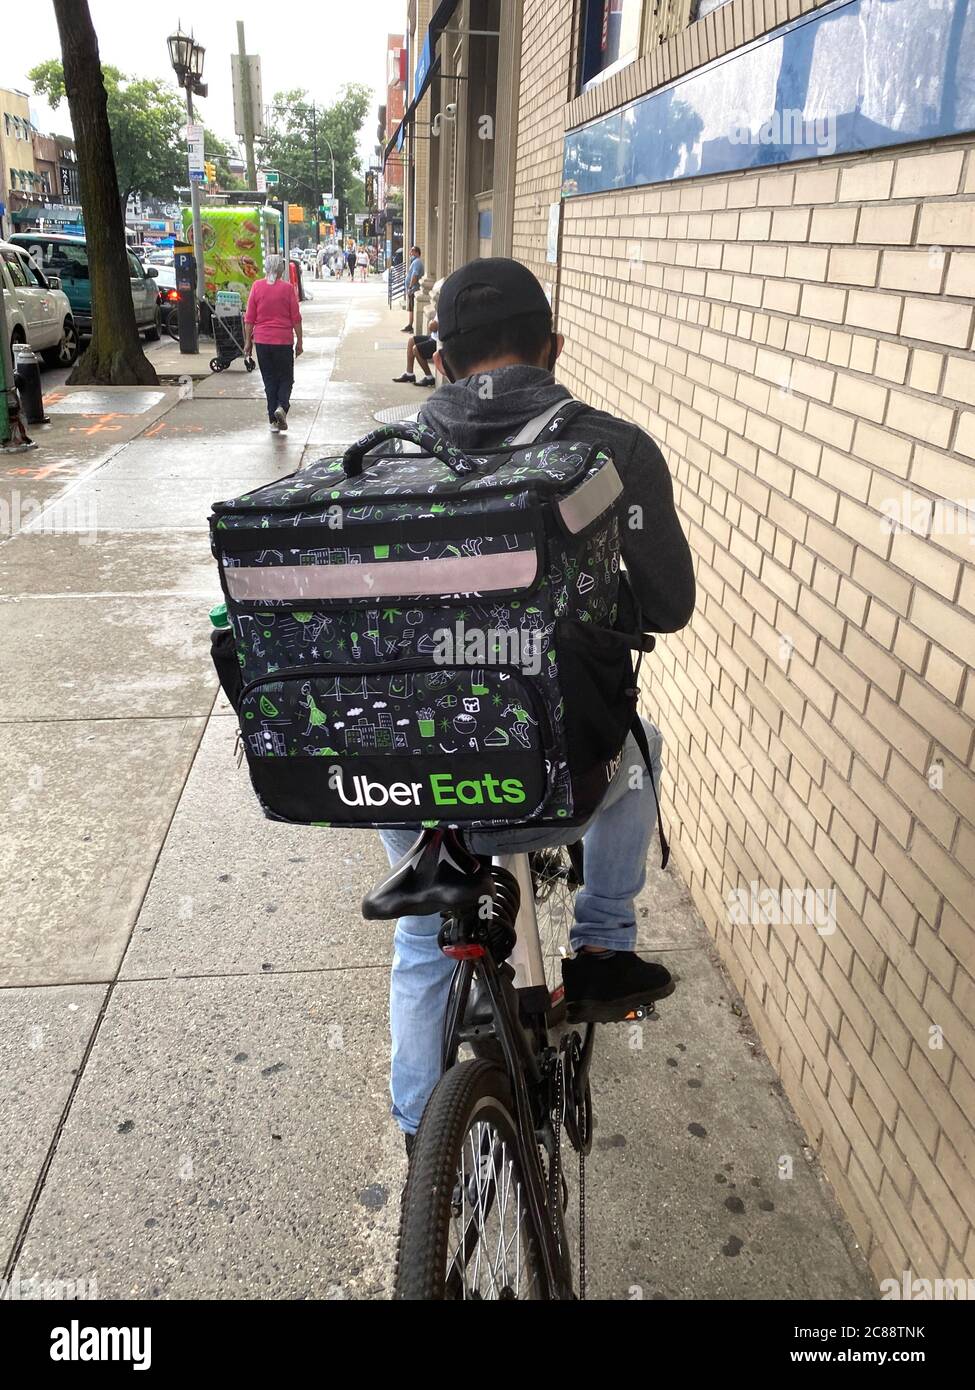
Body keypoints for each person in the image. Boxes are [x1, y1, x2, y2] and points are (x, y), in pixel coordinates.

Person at [379, 257, 696, 1148]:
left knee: (419, 943)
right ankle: (600, 947)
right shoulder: (613, 450)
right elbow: (667, 607)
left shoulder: (387, 459)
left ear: (437, 360)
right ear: (553, 349)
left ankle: (421, 1139)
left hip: (406, 774)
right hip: (560, 770)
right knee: (643, 747)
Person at [242, 253, 303, 433]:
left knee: (269, 380)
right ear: (281, 268)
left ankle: (273, 421)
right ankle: (282, 407)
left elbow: (249, 318)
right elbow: (296, 318)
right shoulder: (287, 289)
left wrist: (248, 342)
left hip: (261, 341)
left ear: (266, 268)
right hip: (283, 341)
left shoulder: (257, 286)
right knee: (286, 378)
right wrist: (300, 340)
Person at [392, 276, 443, 387]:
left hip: (438, 341)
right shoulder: (441, 306)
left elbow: (434, 326)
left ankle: (429, 377)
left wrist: (432, 324)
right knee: (412, 341)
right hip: (433, 337)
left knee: (417, 349)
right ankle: (409, 373)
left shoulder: (446, 307)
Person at [402, 244, 424, 332]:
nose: (410, 253)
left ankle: (411, 326)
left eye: (412, 251)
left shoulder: (417, 262)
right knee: (411, 308)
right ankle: (410, 325)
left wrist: (410, 287)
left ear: (417, 253)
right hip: (412, 289)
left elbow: (415, 275)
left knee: (412, 307)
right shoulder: (415, 262)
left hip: (414, 289)